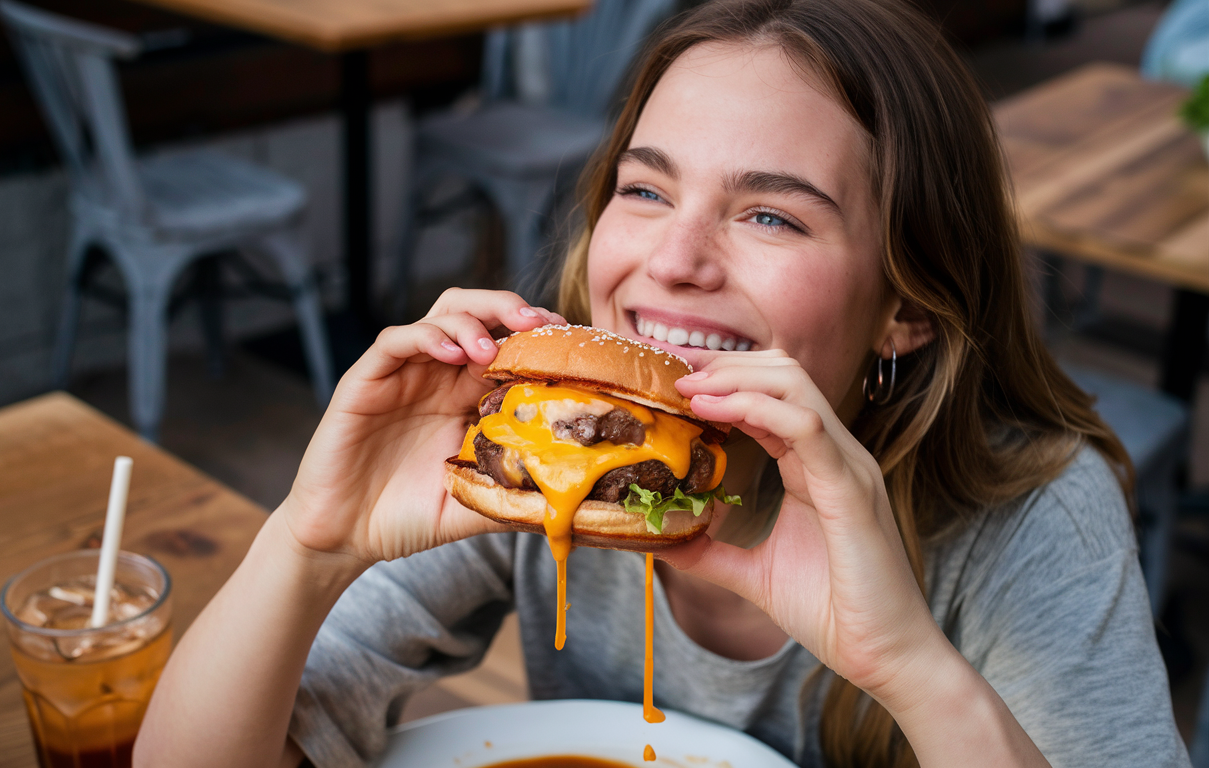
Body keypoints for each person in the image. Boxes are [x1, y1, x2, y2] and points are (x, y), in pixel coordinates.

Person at [135, 1, 1192, 766]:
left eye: (770, 213)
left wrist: (907, 664)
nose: (673, 261)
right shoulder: (550, 455)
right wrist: (310, 544)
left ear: (903, 307)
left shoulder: (1034, 517)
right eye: (643, 189)